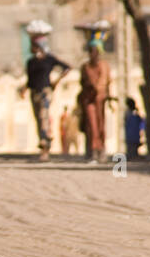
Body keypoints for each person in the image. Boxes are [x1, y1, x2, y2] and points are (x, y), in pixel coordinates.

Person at [18, 19, 70, 160]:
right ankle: (43, 145)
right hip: (34, 92)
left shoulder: (49, 59)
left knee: (44, 116)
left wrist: (56, 82)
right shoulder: (31, 62)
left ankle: (45, 144)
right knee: (38, 119)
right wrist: (23, 89)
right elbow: (30, 80)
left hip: (45, 92)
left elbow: (67, 68)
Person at [77, 37, 112, 162]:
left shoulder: (104, 66)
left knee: (101, 125)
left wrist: (101, 91)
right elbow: (82, 82)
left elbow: (105, 82)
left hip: (100, 99)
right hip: (89, 100)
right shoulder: (85, 67)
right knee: (91, 126)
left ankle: (101, 149)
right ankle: (92, 150)